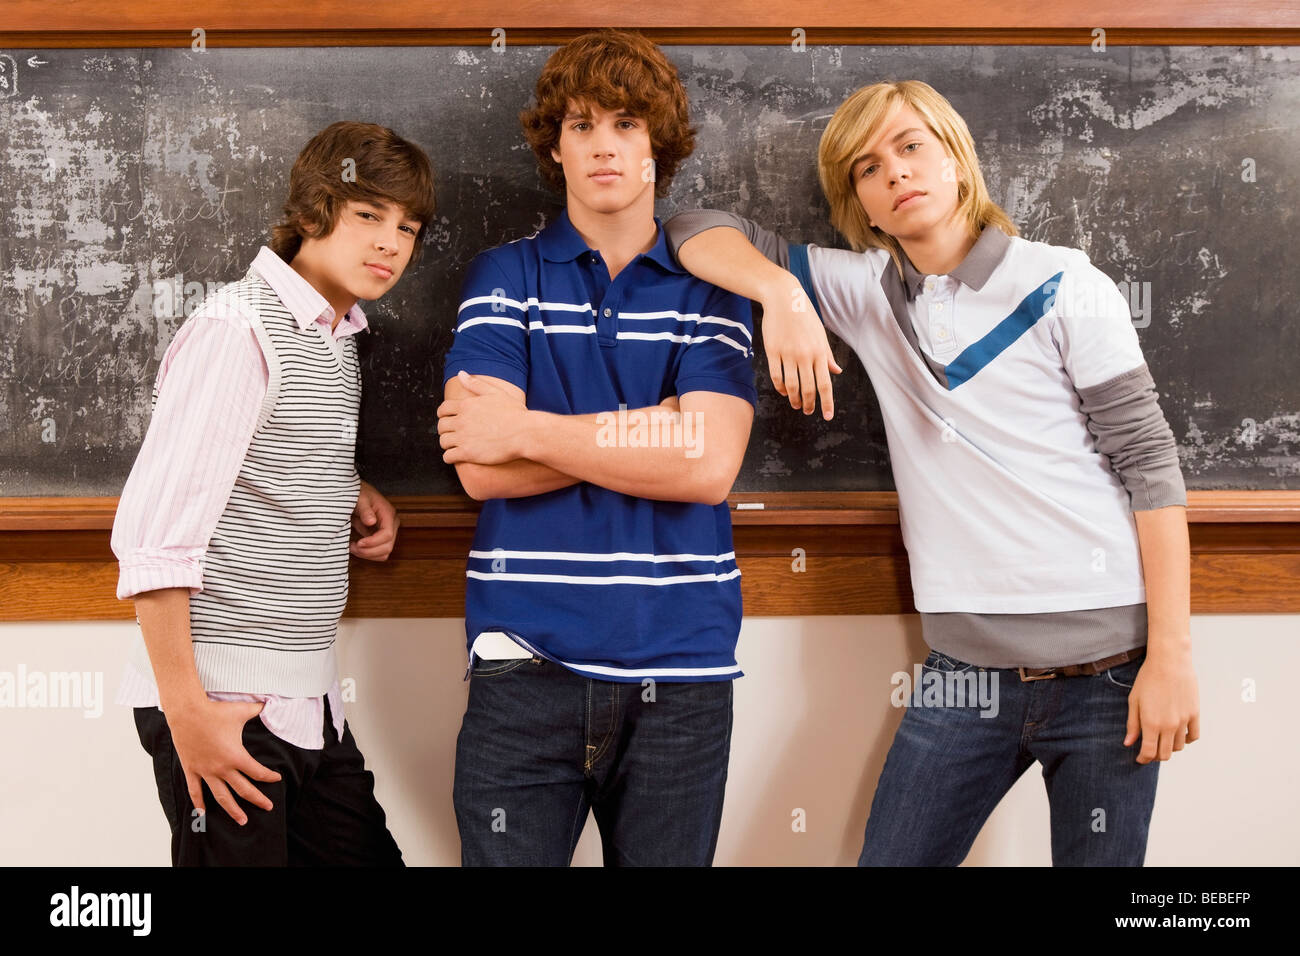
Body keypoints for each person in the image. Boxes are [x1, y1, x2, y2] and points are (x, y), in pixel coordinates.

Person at [664, 80, 1200, 866]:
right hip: (962, 676)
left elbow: (1150, 465)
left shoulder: (1065, 283)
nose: (895, 173)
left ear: (957, 159)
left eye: (911, 146)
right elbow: (687, 227)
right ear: (865, 209)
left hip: (1111, 674)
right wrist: (780, 291)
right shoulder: (864, 292)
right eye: (867, 169)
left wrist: (1173, 658)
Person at [437, 29, 756, 866]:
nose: (603, 145)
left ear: (660, 145)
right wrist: (654, 426)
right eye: (580, 126)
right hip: (524, 667)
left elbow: (708, 467)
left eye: (625, 123)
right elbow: (478, 465)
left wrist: (528, 430)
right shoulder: (503, 277)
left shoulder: (718, 289)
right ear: (555, 146)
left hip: (682, 672)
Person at [111, 121, 435, 866]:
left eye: (408, 228)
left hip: (307, 703)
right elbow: (153, 540)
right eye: (368, 216)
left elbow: (259, 445)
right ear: (314, 210)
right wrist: (187, 713)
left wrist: (348, 485)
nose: (391, 242)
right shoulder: (238, 329)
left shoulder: (333, 333)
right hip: (222, 700)